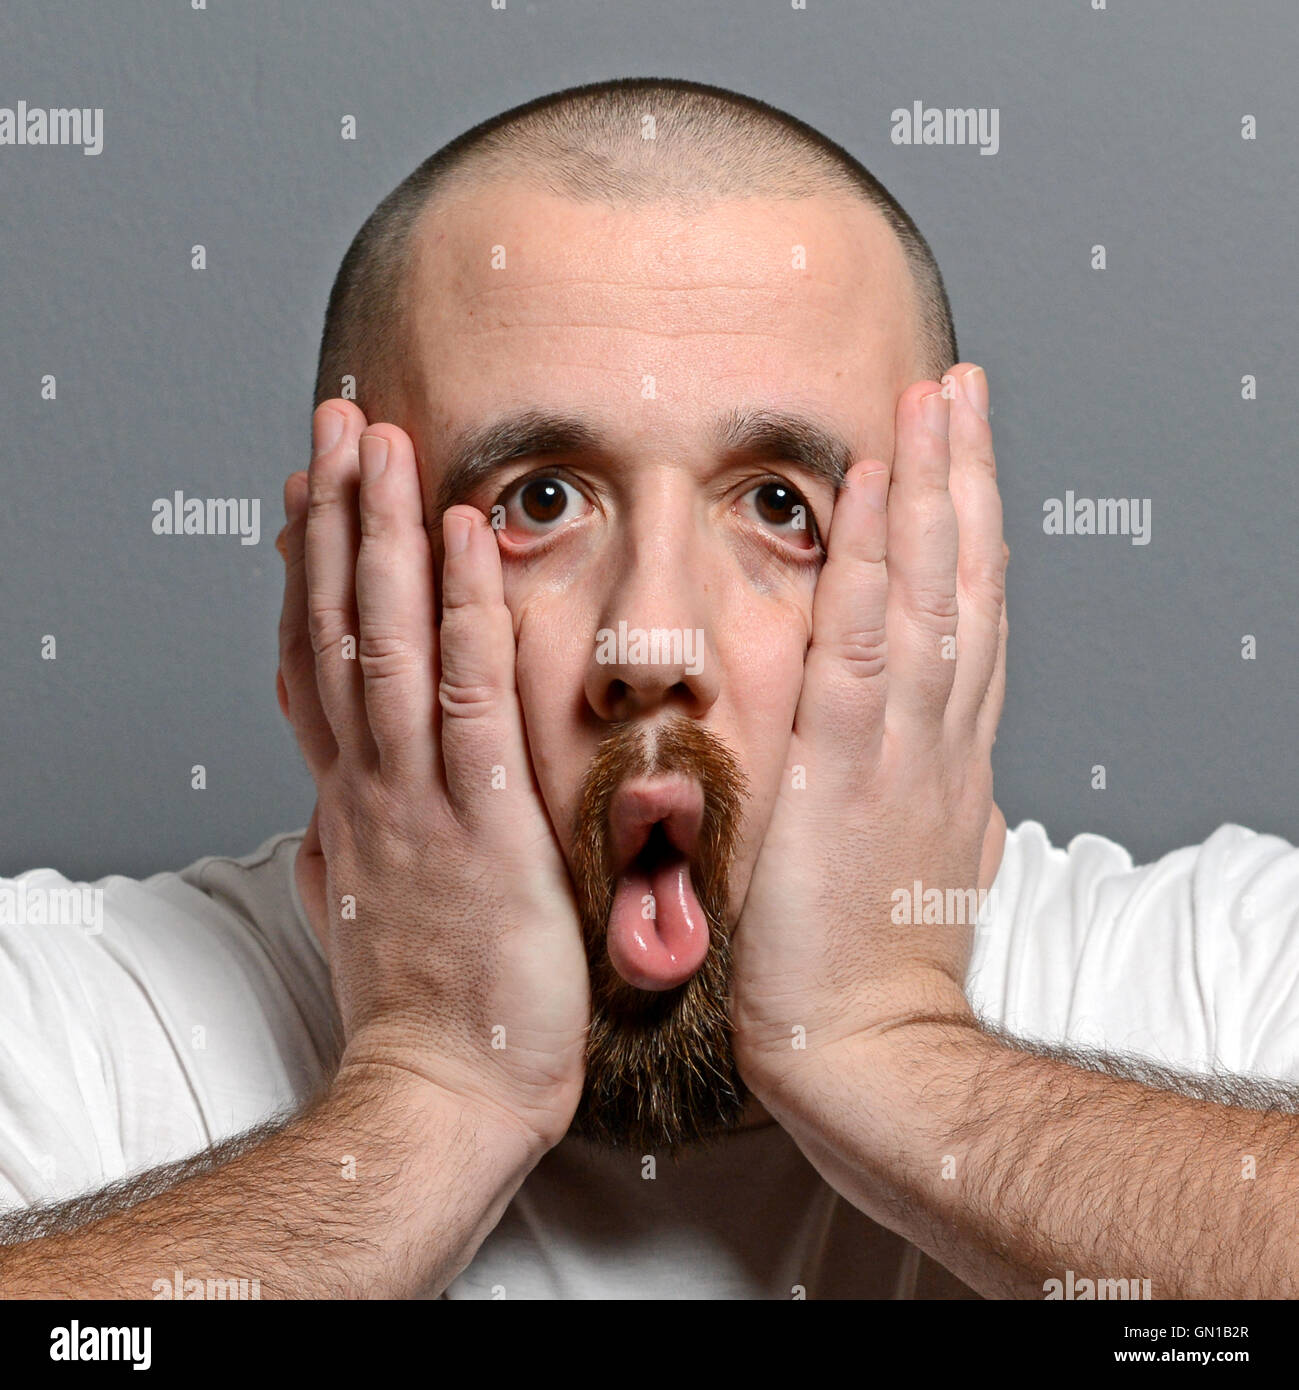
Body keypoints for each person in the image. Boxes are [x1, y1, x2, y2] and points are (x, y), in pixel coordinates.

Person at [2, 77, 1296, 1300]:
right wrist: (428, 1097)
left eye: (783, 505)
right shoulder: (56, 1020)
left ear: (951, 590)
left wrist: (900, 1054)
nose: (651, 642)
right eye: (540, 502)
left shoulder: (1234, 975)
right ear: (331, 613)